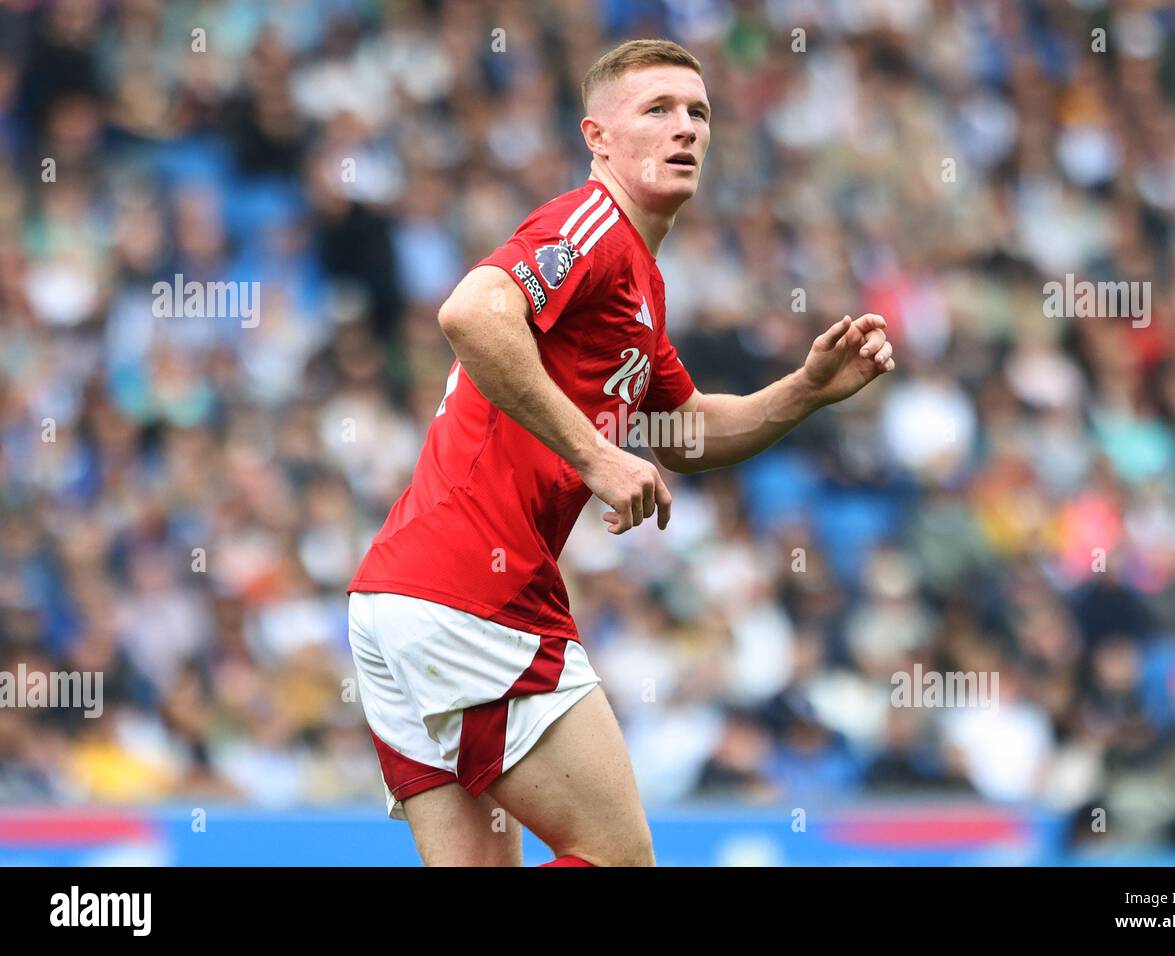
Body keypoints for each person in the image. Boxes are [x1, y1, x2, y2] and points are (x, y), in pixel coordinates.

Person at [346, 38, 895, 866]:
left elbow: (689, 433)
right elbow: (471, 313)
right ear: (596, 135)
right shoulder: (589, 224)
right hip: (475, 588)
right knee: (620, 859)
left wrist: (806, 391)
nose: (686, 129)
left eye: (699, 113)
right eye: (658, 110)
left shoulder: (639, 284)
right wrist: (597, 458)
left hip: (399, 597)